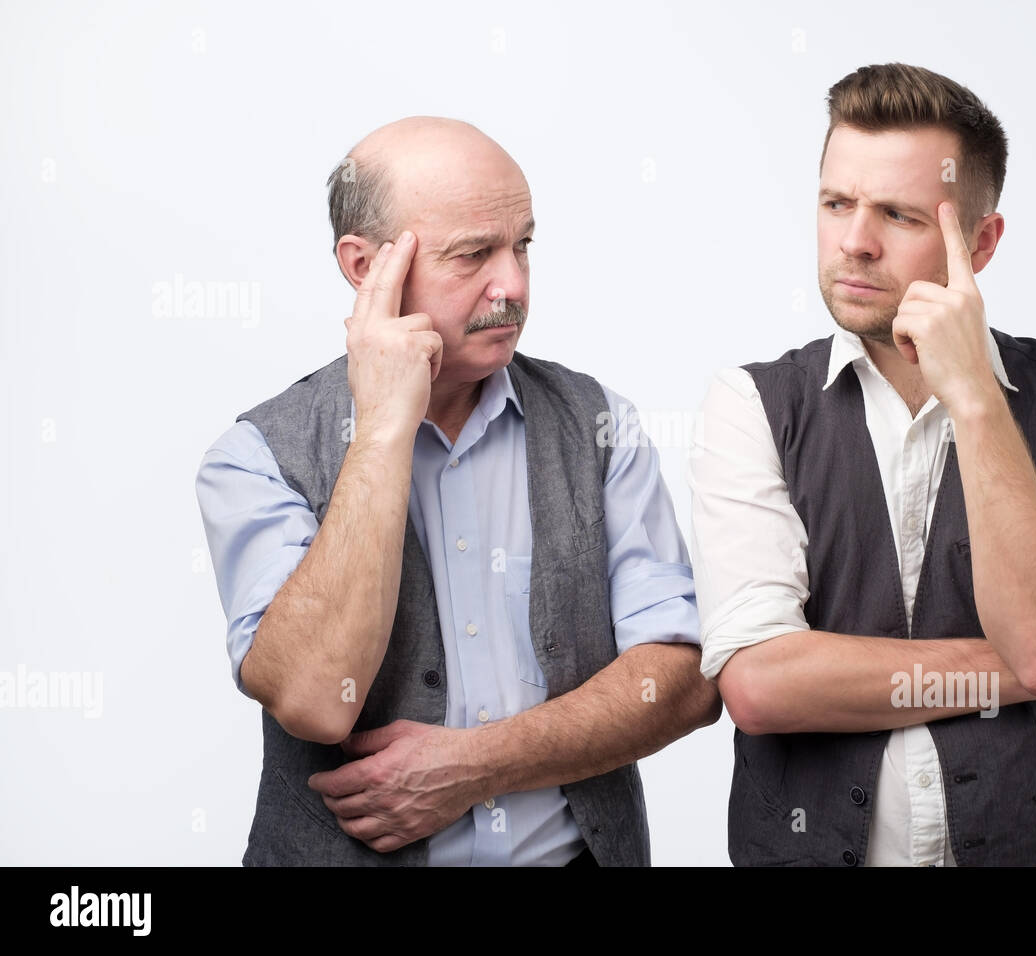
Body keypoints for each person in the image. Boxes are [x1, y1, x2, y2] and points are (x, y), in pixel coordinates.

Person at [195, 117, 719, 866]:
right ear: (364, 264)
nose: (512, 285)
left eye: (523, 246)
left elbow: (681, 681)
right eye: (473, 254)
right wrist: (381, 430)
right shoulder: (255, 458)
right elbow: (315, 699)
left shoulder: (601, 425)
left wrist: (475, 766)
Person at [688, 64, 1036, 866]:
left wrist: (974, 397)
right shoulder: (751, 403)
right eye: (836, 204)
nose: (854, 241)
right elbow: (762, 687)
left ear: (980, 241)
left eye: (897, 215)